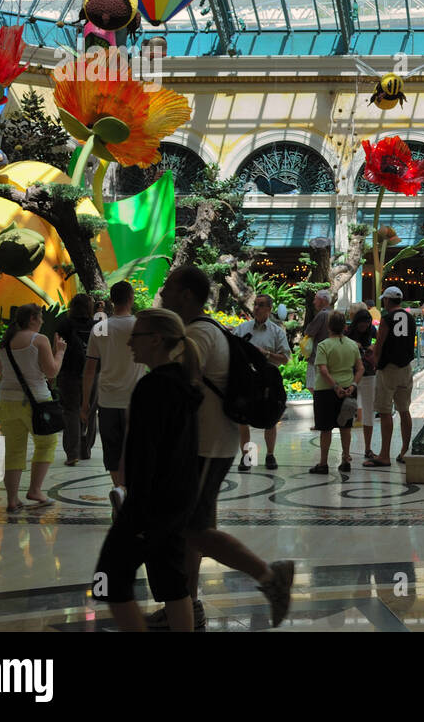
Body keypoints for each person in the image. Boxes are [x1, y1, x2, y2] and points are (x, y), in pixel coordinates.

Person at [154, 266, 293, 631]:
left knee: (191, 531)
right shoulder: (207, 330)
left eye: (168, 287)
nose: (163, 292)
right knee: (196, 528)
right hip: (211, 442)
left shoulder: (198, 333)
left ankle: (269, 576)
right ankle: (187, 604)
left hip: (203, 444)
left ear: (185, 295)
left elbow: (177, 384)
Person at [94, 308, 204, 632]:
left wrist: (135, 511)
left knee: (111, 579)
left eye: (137, 335)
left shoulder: (152, 388)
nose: (130, 342)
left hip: (151, 507)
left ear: (156, 340)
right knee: (173, 584)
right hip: (178, 501)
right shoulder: (184, 382)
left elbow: (145, 456)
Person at [0, 303, 65, 511]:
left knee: (14, 450)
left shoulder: (5, 343)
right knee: (46, 444)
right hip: (37, 403)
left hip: (6, 403)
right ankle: (35, 490)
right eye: (41, 317)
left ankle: (12, 500)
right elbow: (51, 371)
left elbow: (1, 371)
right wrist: (60, 352)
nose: (43, 321)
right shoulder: (39, 340)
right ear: (33, 318)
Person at [83, 281, 144, 515]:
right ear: (130, 298)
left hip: (107, 398)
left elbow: (90, 369)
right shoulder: (139, 326)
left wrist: (85, 402)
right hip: (135, 399)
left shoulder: (100, 328)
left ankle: (119, 490)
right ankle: (126, 494)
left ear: (111, 300)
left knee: (112, 450)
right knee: (134, 450)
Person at [233, 294, 290, 471]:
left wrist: (266, 354)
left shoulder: (276, 332)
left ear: (269, 309)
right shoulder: (242, 329)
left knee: (270, 419)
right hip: (246, 380)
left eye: (261, 305)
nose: (256, 308)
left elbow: (285, 358)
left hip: (268, 382)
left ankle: (270, 455)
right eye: (255, 304)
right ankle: (247, 457)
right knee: (243, 420)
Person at [311, 311, 362, 480]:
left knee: (325, 428)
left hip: (325, 391)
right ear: (345, 327)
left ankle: (323, 463)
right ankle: (346, 459)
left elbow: (323, 370)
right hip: (348, 390)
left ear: (328, 326)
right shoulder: (352, 345)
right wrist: (353, 385)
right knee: (346, 427)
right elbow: (360, 368)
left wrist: (335, 386)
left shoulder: (323, 345)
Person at [369, 286, 416, 466]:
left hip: (388, 368)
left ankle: (384, 455)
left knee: (385, 410)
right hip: (406, 368)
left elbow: (380, 343)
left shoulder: (387, 318)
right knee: (404, 410)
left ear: (388, 300)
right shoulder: (410, 318)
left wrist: (374, 359)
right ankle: (405, 450)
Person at [56, 292, 97, 466]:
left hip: (68, 374)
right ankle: (86, 450)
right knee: (90, 411)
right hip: (93, 374)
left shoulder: (64, 324)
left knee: (71, 411)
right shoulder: (96, 326)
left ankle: (72, 454)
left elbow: (56, 348)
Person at [348, 308, 377, 458]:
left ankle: (368, 448)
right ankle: (346, 452)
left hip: (369, 373)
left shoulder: (372, 329)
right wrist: (354, 344)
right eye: (361, 325)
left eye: (366, 325)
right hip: (352, 374)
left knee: (368, 411)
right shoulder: (349, 332)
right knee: (347, 409)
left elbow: (380, 341)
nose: (364, 327)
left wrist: (372, 347)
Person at [303, 290, 332, 394]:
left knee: (313, 387)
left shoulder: (322, 315)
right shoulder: (333, 313)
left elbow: (309, 332)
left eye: (316, 299)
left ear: (323, 300)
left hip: (317, 356)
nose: (314, 302)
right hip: (329, 356)